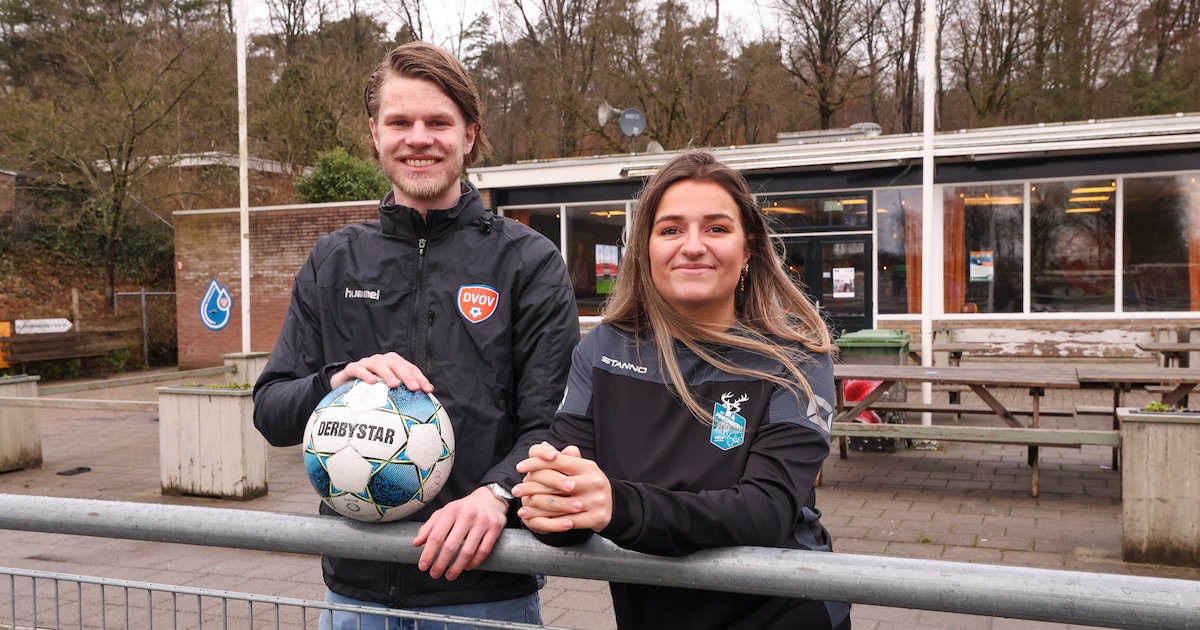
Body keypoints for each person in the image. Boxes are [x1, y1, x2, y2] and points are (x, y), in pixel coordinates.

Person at [252, 41, 579, 630]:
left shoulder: (527, 262)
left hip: (485, 594)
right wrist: (335, 383)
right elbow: (271, 410)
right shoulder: (335, 260)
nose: (419, 138)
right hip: (356, 596)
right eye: (400, 121)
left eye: (438, 122)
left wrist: (498, 494)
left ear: (469, 135)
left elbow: (553, 422)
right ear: (374, 134)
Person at [513, 151, 850, 629]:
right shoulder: (603, 349)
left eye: (716, 228)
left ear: (749, 246)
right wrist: (551, 511)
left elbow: (765, 510)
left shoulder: (795, 357)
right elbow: (570, 484)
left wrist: (615, 506)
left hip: (780, 617)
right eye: (671, 230)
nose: (693, 246)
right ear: (646, 248)